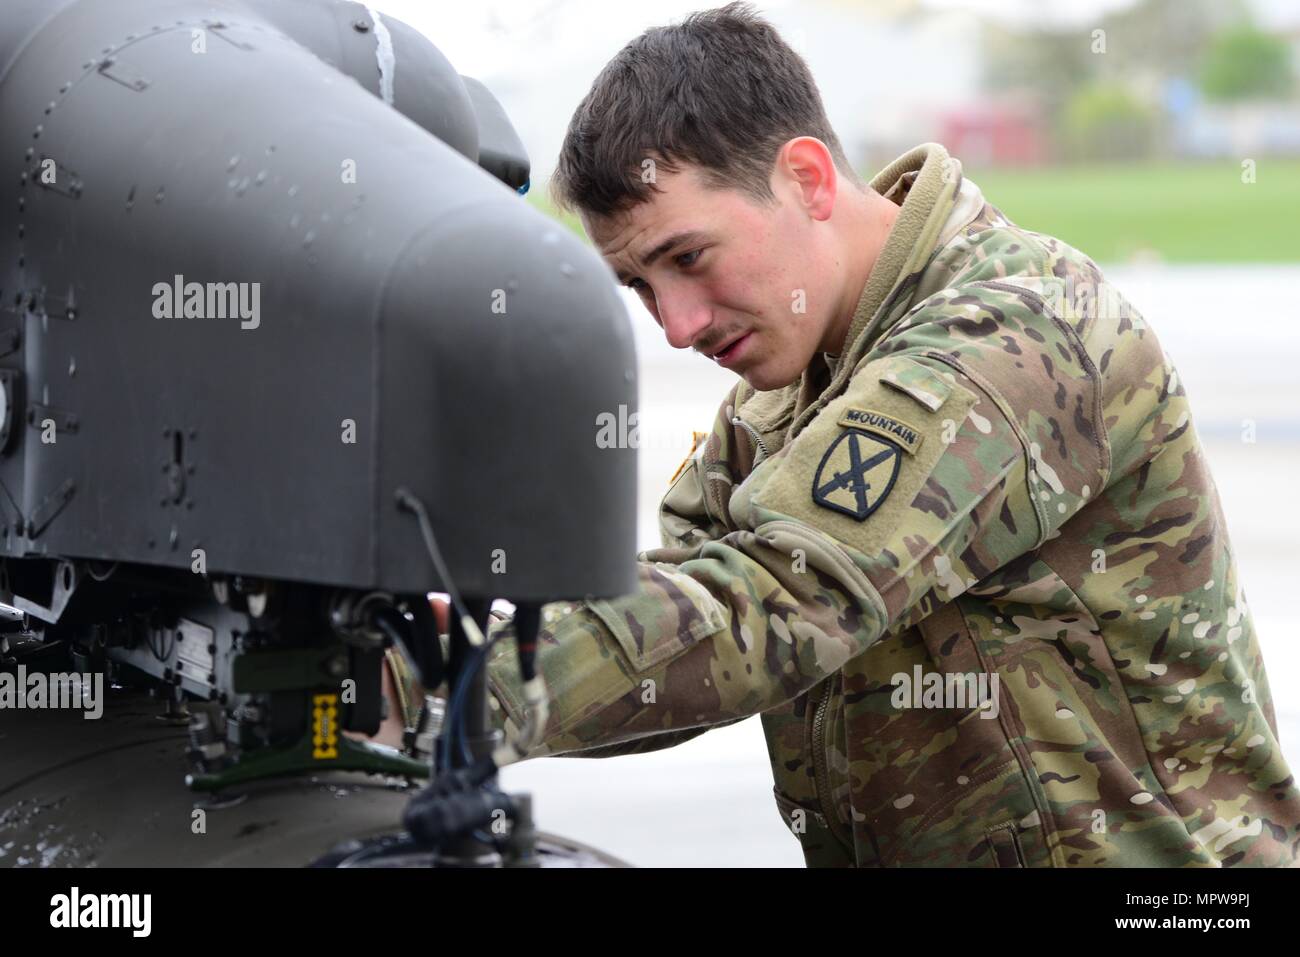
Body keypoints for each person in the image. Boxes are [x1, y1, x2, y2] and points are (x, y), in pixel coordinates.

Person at [471, 2, 1300, 867]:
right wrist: (453, 638)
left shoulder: (1014, 329)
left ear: (807, 179)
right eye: (637, 285)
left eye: (687, 258)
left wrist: (439, 694)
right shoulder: (777, 400)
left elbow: (773, 600)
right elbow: (675, 644)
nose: (675, 325)